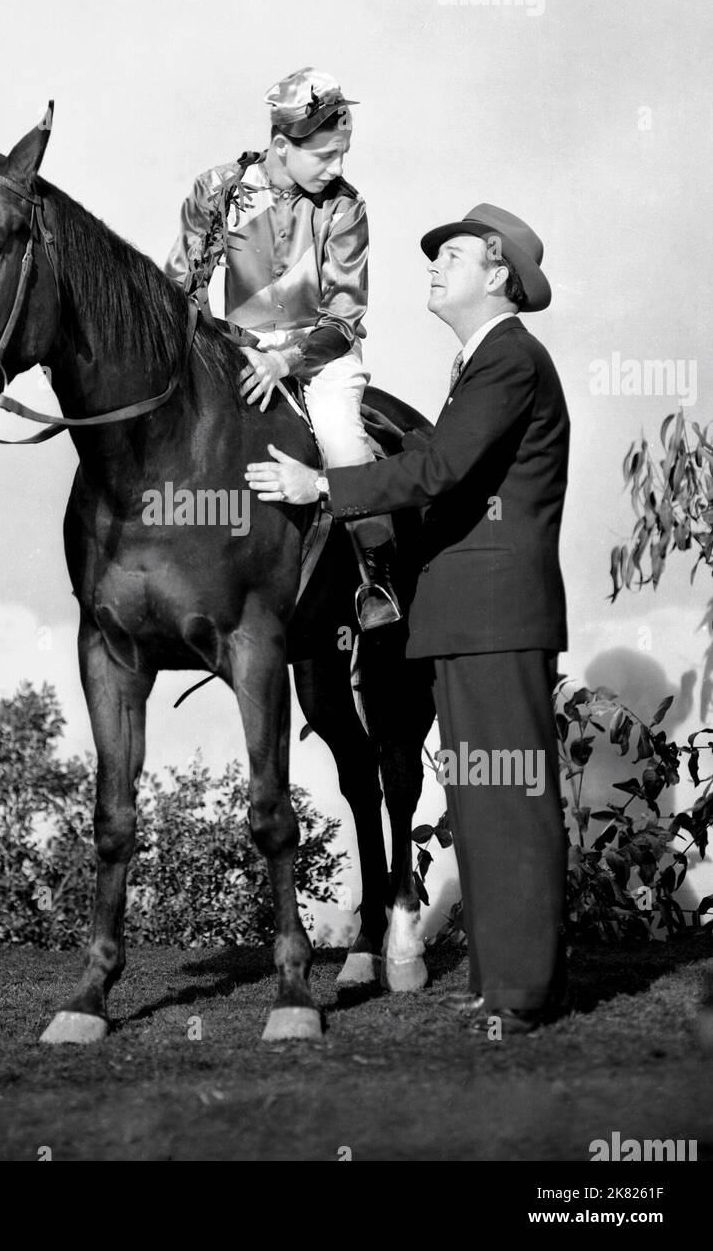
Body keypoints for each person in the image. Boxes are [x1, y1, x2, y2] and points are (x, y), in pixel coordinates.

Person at [245, 204, 570, 1035]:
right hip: (467, 620)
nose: (432, 265)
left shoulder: (506, 358)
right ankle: (502, 981)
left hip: (496, 617)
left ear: (496, 274)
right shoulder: (483, 362)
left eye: (451, 255)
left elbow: (439, 466)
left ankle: (524, 994)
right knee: (478, 803)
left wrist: (325, 490)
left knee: (507, 803)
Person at [165, 67, 401, 631]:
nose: (338, 167)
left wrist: (283, 360)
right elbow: (182, 290)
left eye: (343, 152)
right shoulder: (216, 190)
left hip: (319, 356)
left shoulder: (346, 208)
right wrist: (234, 344)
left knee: (343, 441)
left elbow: (344, 319)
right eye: (324, 155)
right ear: (280, 146)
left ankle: (377, 576)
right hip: (234, 348)